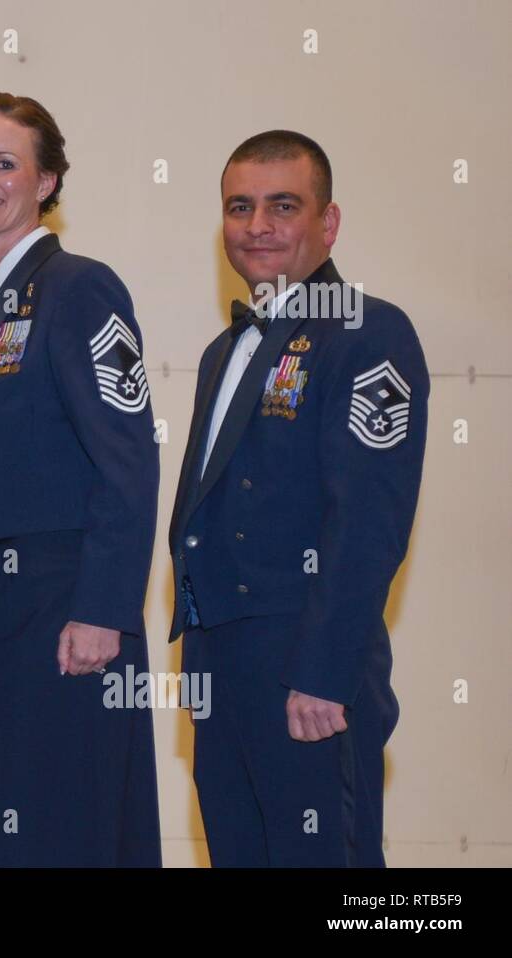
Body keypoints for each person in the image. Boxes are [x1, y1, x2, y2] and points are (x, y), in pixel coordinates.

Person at [168, 130, 428, 866]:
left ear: (328, 222)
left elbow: (369, 524)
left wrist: (323, 674)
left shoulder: (368, 332)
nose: (257, 226)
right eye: (239, 207)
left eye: (283, 206)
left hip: (306, 673)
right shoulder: (225, 352)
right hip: (223, 670)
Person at [0, 93, 162, 866]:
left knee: (71, 827)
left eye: (4, 164)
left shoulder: (79, 289)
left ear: (47, 182)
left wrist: (103, 611)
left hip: (67, 608)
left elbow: (129, 458)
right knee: (9, 828)